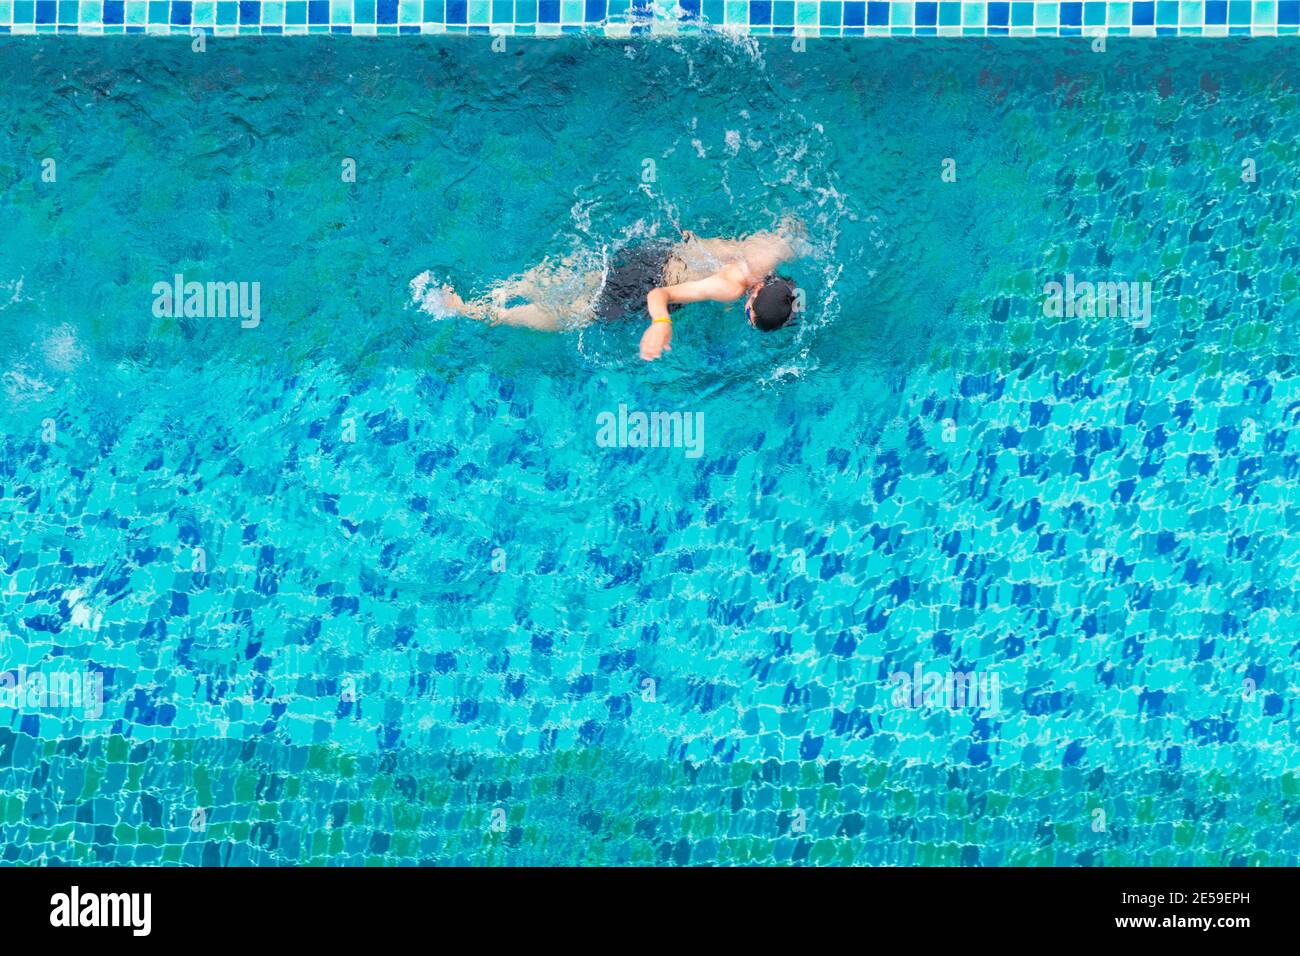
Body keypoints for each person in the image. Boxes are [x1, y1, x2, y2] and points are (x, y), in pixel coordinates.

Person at [424, 222, 802, 362]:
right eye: (750, 316)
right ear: (751, 301)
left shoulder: (763, 257)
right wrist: (660, 325)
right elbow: (660, 295)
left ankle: (513, 286)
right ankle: (477, 311)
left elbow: (789, 228)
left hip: (655, 253)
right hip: (647, 285)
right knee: (570, 317)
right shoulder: (728, 288)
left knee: (582, 278)